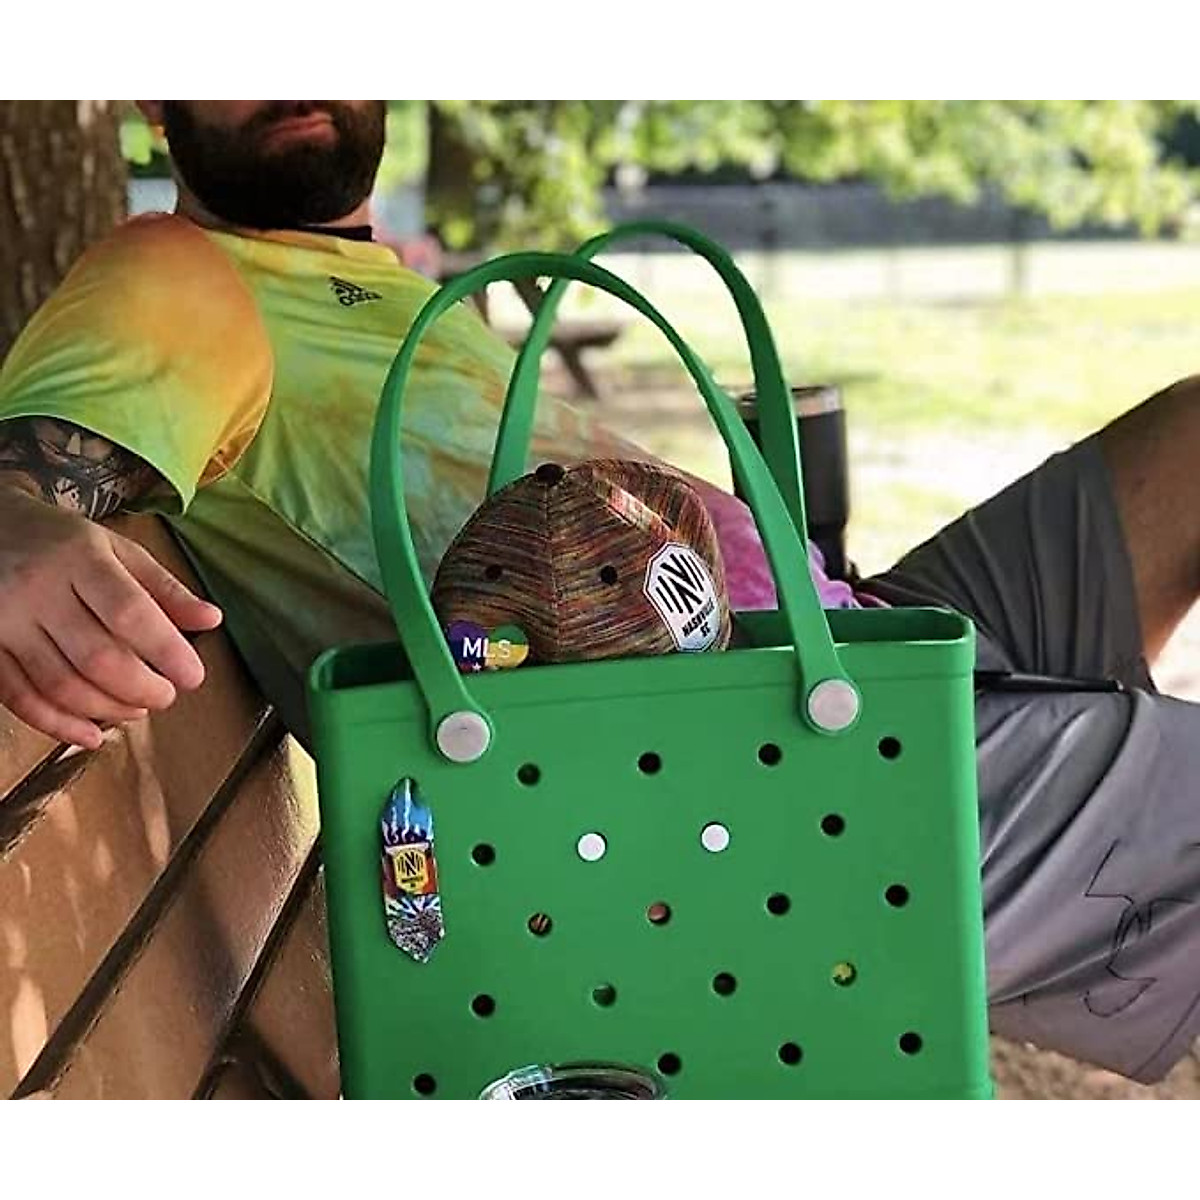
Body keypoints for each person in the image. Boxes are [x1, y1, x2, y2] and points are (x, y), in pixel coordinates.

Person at [0, 100, 1197, 1088]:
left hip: (840, 651)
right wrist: (15, 527)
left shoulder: (384, 285)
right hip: (755, 792)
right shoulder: (176, 276)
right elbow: (29, 491)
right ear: (152, 95)